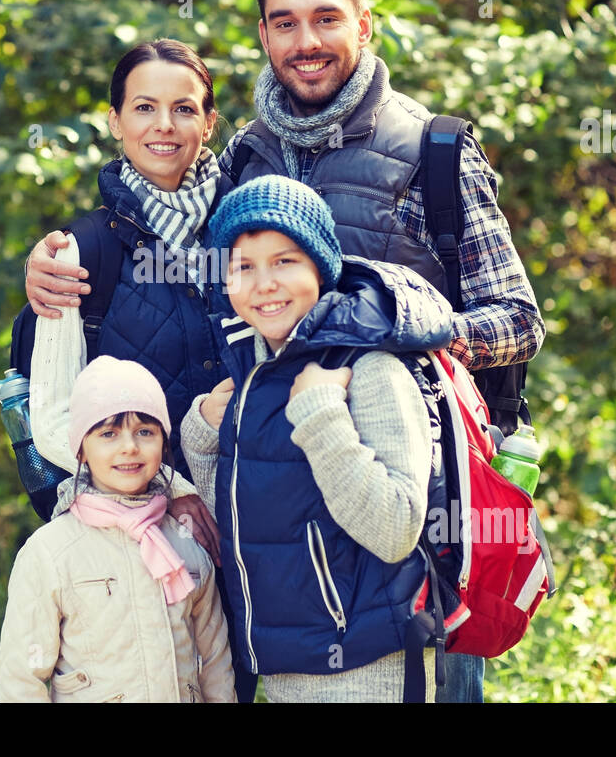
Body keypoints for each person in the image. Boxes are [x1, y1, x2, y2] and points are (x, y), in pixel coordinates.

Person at [25, 0, 545, 702]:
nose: (306, 42)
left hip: (416, 519)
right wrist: (51, 263)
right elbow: (162, 233)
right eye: (285, 23)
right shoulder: (246, 155)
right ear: (264, 36)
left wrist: (393, 335)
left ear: (365, 25)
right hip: (277, 530)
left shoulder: (432, 149)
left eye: (327, 19)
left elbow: (519, 321)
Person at [179, 175, 453, 702]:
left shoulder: (369, 367)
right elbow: (246, 521)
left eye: (285, 261)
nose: (264, 284)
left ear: (320, 267)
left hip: (365, 665)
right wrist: (204, 431)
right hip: (283, 666)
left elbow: (396, 528)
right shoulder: (256, 372)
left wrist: (320, 413)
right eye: (243, 267)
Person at [25, 38, 233, 562]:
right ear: (116, 121)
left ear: (208, 124)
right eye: (144, 107)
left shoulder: (252, 232)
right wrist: (174, 491)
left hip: (258, 527)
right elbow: (54, 421)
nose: (164, 124)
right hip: (139, 539)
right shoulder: (78, 252)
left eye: (184, 109)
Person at [0, 356, 236, 703]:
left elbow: (215, 662)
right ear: (80, 449)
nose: (129, 446)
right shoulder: (49, 552)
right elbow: (21, 680)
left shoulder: (185, 545)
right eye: (108, 433)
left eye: (145, 432)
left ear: (164, 444)